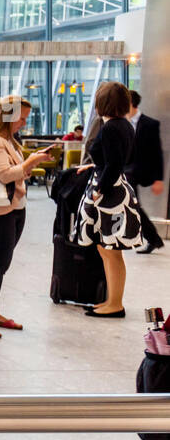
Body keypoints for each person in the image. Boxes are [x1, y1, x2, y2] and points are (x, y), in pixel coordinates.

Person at [0, 96, 56, 339]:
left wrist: (28, 162)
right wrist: (31, 161)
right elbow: (5, 175)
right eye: (21, 118)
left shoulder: (8, 140)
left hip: (13, 206)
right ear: (7, 116)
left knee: (2, 264)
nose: (23, 123)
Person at [76, 81, 145, 316]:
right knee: (109, 250)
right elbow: (113, 160)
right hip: (115, 189)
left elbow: (114, 164)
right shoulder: (124, 125)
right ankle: (112, 301)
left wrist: (99, 190)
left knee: (111, 250)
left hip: (110, 193)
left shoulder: (111, 128)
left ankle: (115, 304)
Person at [126, 89, 164, 254]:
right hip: (126, 170)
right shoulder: (122, 122)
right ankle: (153, 239)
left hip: (139, 171)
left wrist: (159, 179)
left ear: (130, 104)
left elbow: (157, 152)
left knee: (133, 206)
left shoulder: (150, 124)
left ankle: (153, 239)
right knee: (133, 206)